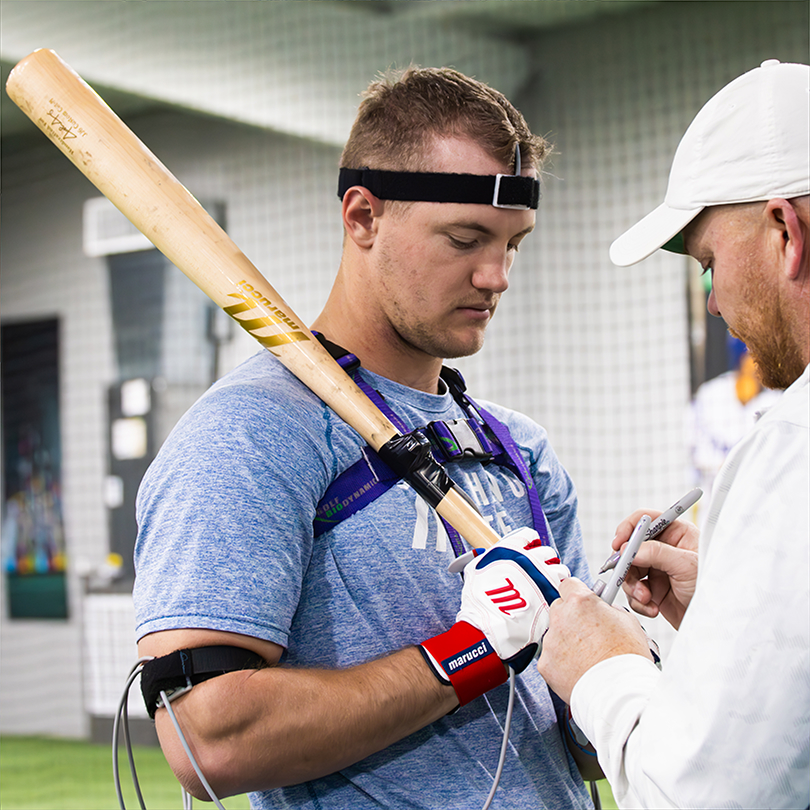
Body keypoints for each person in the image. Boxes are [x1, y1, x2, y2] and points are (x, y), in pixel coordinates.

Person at [134, 67, 594, 809]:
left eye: (515, 243)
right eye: (465, 237)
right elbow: (207, 741)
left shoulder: (519, 450)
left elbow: (582, 744)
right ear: (363, 217)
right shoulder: (252, 434)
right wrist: (467, 651)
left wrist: (646, 653)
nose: (497, 275)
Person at [537, 59, 809, 809]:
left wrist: (606, 667)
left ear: (786, 230)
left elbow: (707, 795)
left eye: (709, 265)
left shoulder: (793, 441)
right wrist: (732, 608)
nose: (715, 301)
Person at [688, 334, 781, 517]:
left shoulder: (775, 399)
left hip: (758, 503)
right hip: (713, 501)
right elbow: (694, 451)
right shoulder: (710, 395)